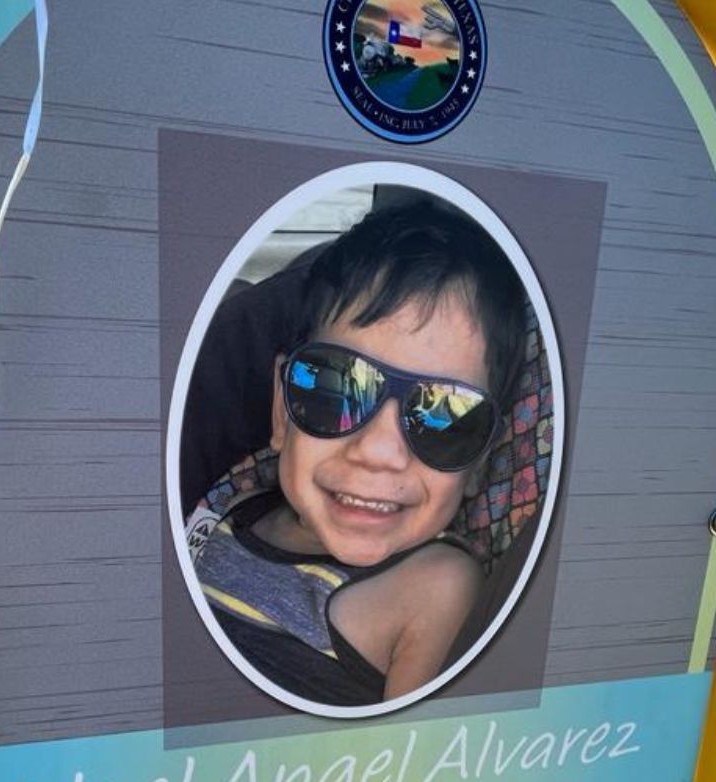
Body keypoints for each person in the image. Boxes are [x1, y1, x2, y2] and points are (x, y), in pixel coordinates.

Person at [189, 200, 524, 707]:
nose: (378, 452)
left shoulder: (433, 586)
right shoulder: (231, 507)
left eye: (445, 415)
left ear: (480, 461)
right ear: (282, 411)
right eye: (335, 389)